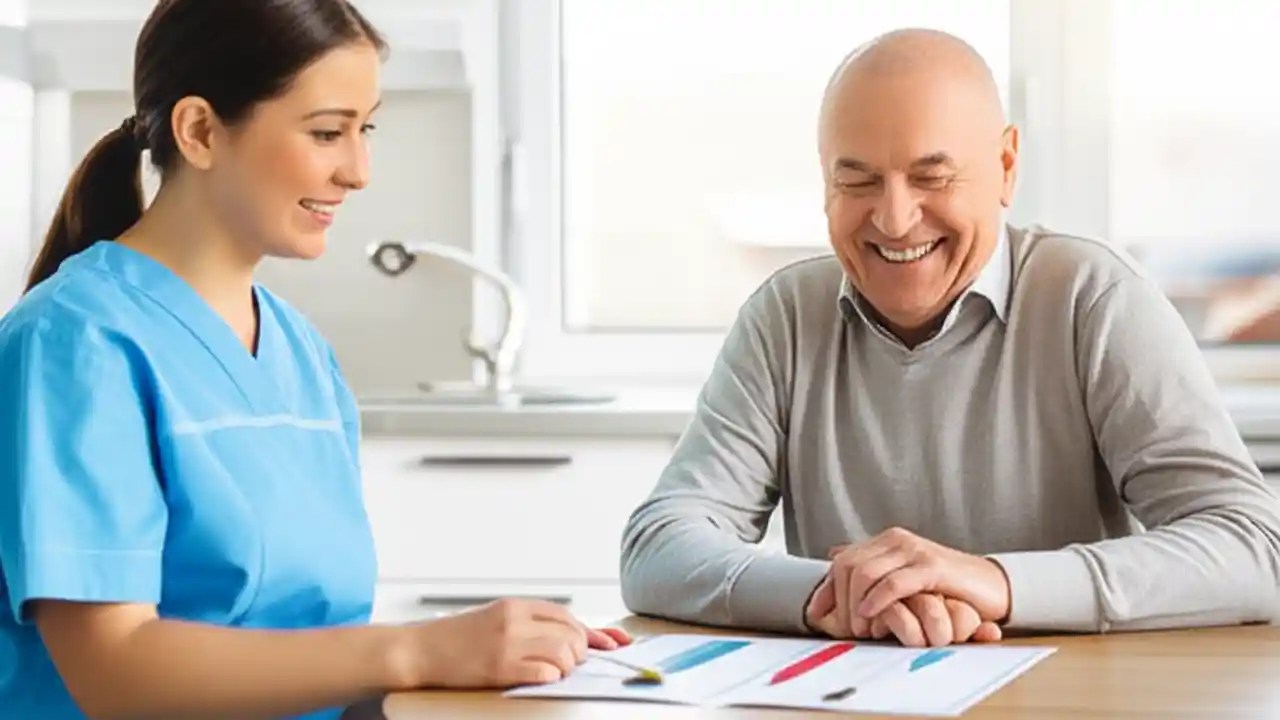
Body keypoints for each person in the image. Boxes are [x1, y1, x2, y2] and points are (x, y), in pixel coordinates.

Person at [0, 2, 627, 719]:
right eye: (328, 132)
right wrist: (419, 651)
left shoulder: (302, 353)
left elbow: (312, 654)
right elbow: (114, 671)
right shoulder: (75, 342)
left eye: (367, 130)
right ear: (200, 130)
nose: (358, 171)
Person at [620, 28, 1280, 649]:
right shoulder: (785, 318)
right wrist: (840, 593)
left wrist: (993, 583)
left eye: (932, 177)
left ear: (1005, 166)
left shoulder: (1093, 297)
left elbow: (1255, 546)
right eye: (858, 180)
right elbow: (660, 545)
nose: (895, 217)